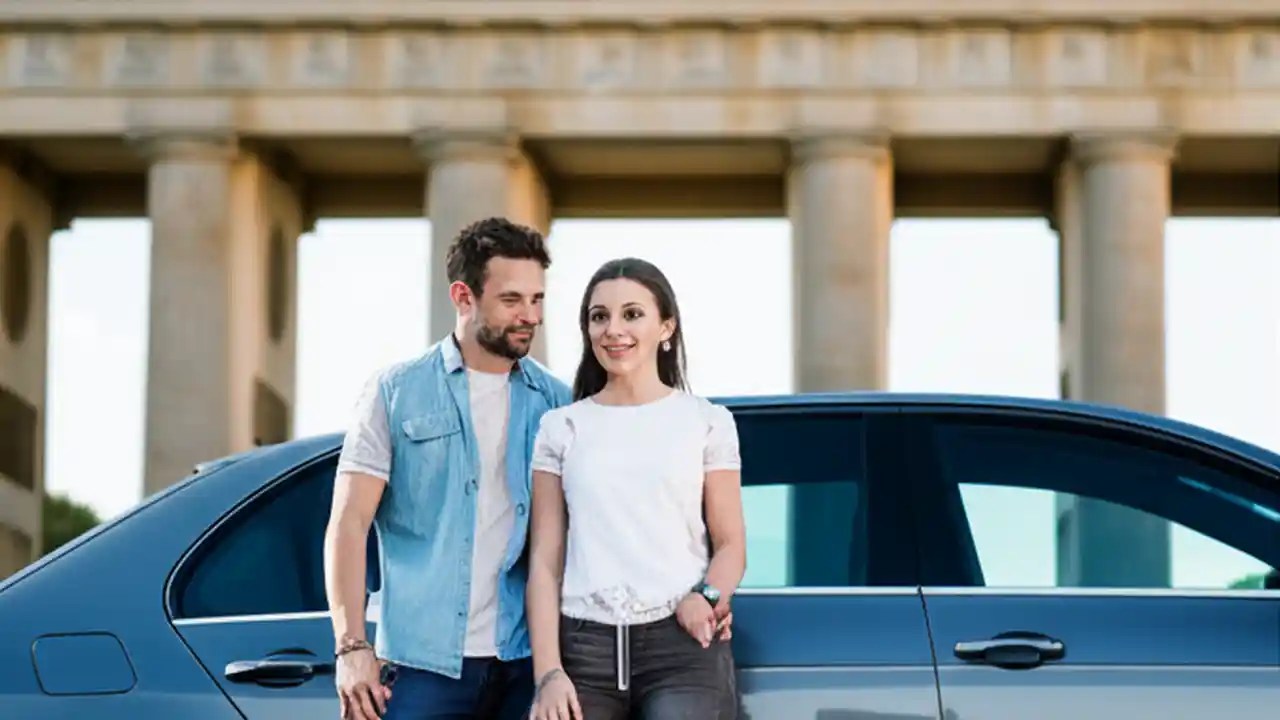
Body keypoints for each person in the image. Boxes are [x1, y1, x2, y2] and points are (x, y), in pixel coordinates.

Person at [323, 217, 572, 720]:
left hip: (523, 662)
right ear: (464, 296)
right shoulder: (395, 392)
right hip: (421, 666)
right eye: (511, 301)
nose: (530, 315)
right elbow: (349, 525)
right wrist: (351, 647)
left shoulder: (557, 403)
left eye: (537, 299)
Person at [526, 257, 747, 720]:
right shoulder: (560, 427)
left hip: (681, 649)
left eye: (632, 314)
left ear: (666, 327)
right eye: (599, 316)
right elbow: (545, 563)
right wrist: (548, 674)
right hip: (582, 652)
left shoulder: (708, 422)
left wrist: (705, 598)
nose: (613, 329)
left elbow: (731, 545)